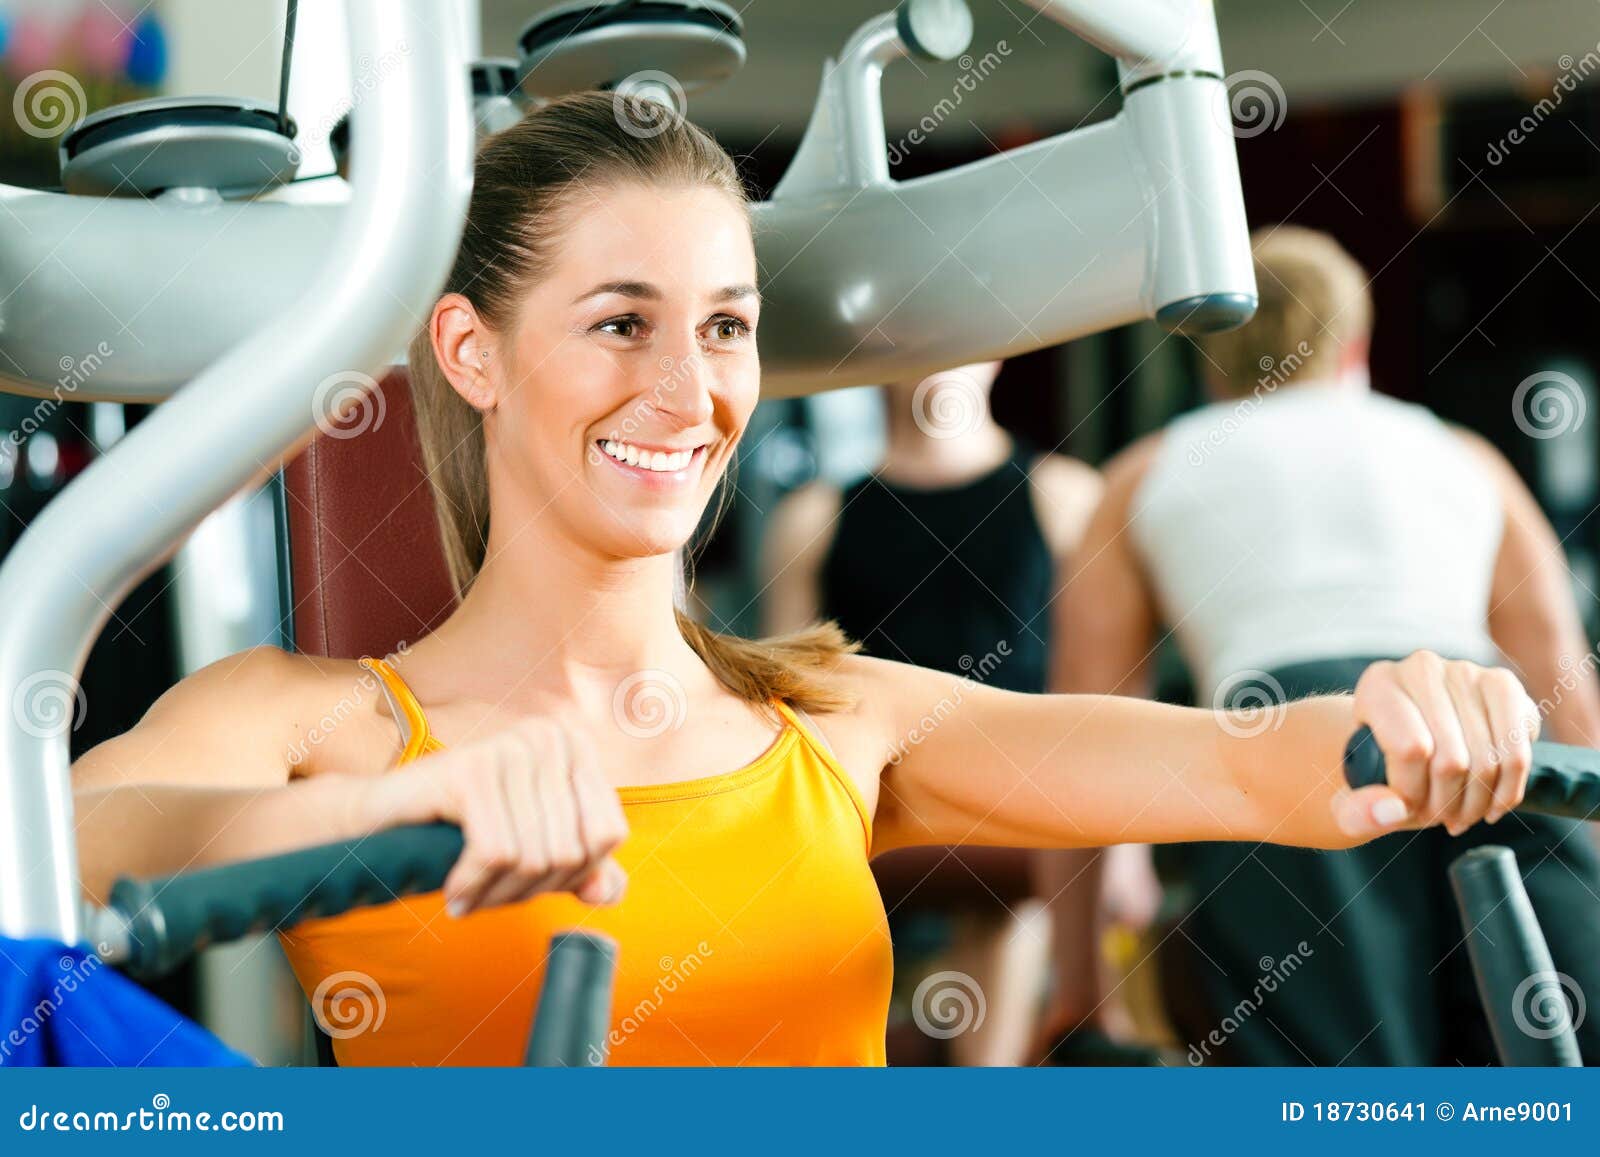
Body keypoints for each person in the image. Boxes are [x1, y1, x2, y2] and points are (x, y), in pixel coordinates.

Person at [70, 97, 1544, 1067]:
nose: (686, 388)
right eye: (620, 323)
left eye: (724, 327)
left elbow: (1251, 772)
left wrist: (1412, 708)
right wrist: (376, 818)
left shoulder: (838, 722)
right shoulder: (318, 724)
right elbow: (56, 862)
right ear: (472, 356)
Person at [1038, 225, 1600, 1065]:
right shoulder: (1462, 454)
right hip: (1490, 741)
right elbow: (1563, 681)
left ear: (1209, 359)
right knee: (1559, 1086)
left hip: (1290, 757)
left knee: (1344, 1112)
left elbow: (1082, 735)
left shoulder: (1144, 473)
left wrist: (1081, 993)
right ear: (1357, 345)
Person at [762, 360, 1107, 1065]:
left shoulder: (1067, 499)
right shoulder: (813, 519)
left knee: (1023, 868)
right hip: (877, 800)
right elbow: (784, 724)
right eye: (917, 340)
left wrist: (1122, 842)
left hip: (1023, 799)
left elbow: (1105, 686)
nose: (941, 358)